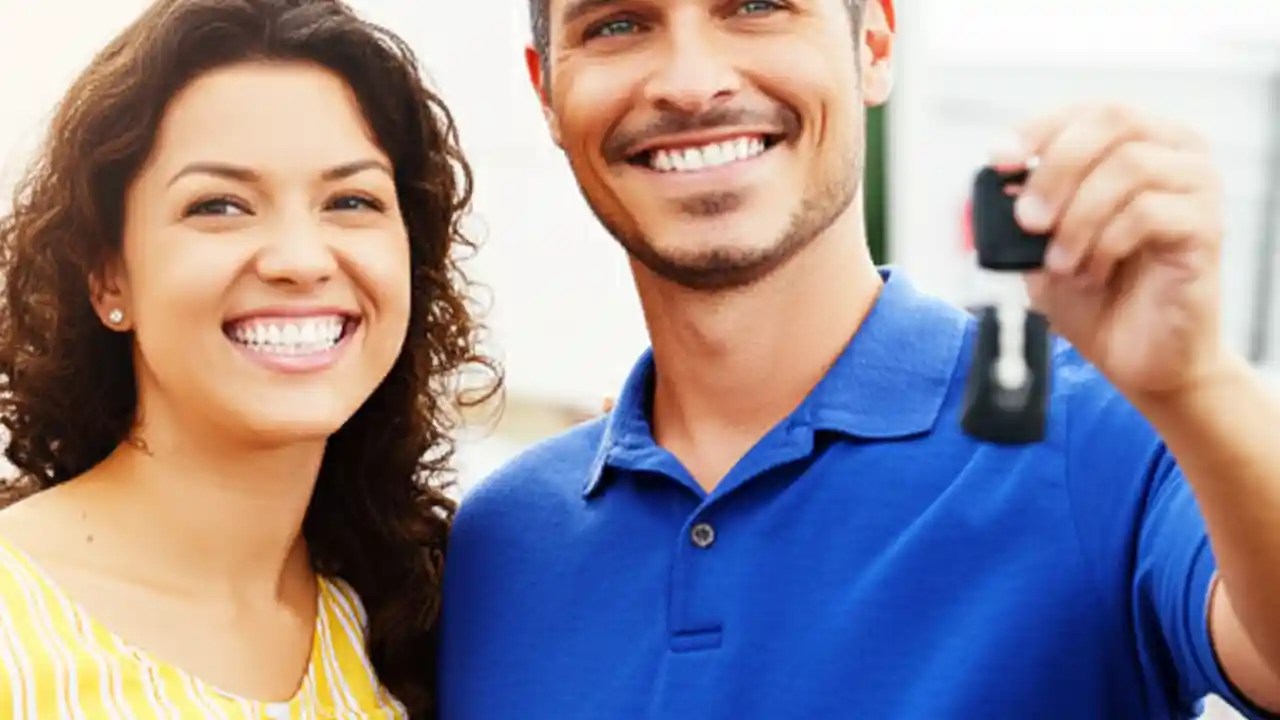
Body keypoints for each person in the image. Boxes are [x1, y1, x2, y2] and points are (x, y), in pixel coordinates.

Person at [438, 0, 1280, 718]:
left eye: (757, 4)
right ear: (546, 92)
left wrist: (1197, 384)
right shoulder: (495, 545)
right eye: (620, 23)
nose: (691, 82)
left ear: (874, 43)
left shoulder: (1112, 439)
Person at [0, 0, 495, 718]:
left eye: (351, 200)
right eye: (220, 207)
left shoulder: (410, 617)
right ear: (108, 276)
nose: (299, 259)